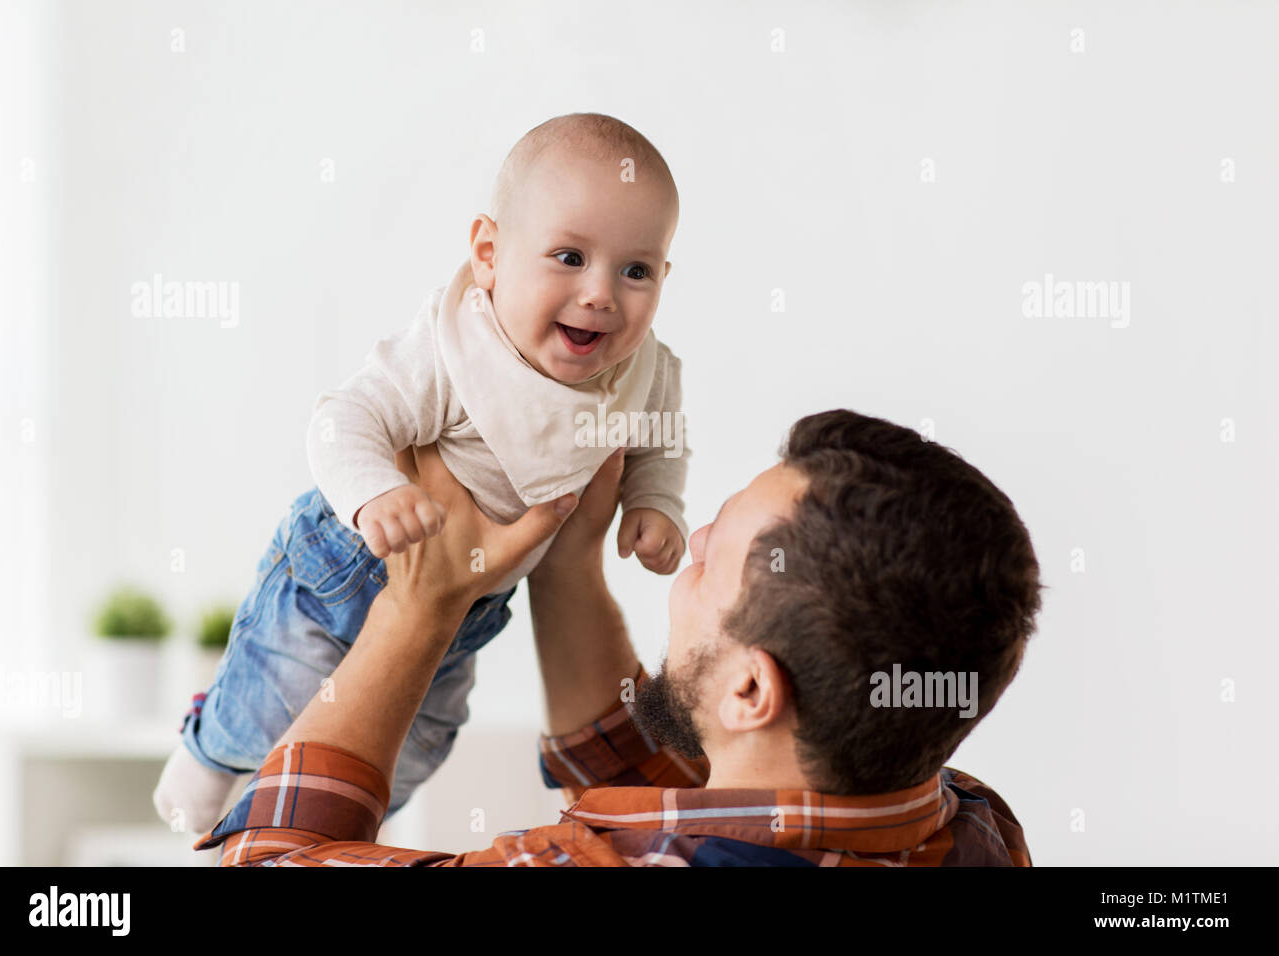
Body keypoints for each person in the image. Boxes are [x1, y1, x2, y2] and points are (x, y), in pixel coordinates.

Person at [192, 408, 1042, 866]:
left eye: (712, 557)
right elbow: (695, 797)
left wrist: (419, 606)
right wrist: (569, 558)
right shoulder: (963, 823)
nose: (689, 552)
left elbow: (266, 863)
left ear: (752, 689)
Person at [154, 113, 690, 832]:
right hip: (346, 565)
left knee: (417, 747)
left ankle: (288, 807)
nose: (601, 293)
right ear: (490, 253)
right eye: (568, 257)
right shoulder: (454, 349)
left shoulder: (644, 372)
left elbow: (659, 443)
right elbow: (342, 419)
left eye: (636, 270)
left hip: (471, 608)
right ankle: (208, 752)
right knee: (269, 700)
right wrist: (377, 492)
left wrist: (655, 504)